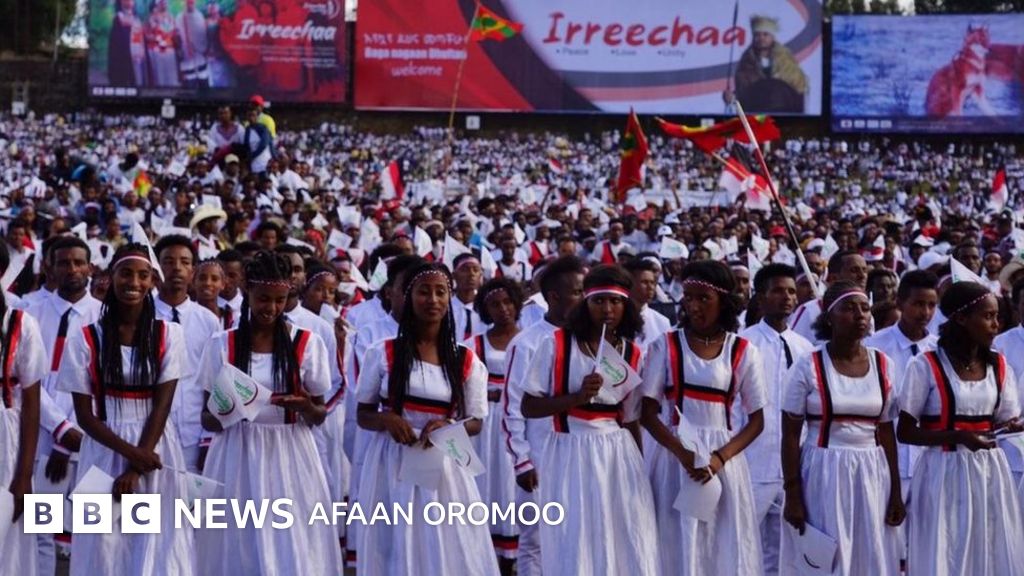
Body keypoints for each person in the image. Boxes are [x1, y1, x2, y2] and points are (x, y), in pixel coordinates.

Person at [196, 251, 341, 575]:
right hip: (237, 449)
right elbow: (207, 419)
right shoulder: (223, 344)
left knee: (292, 540)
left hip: (291, 451)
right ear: (247, 292)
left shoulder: (306, 343)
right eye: (263, 299)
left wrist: (306, 407)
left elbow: (319, 415)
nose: (271, 308)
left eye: (280, 299)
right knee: (237, 541)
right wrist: (228, 408)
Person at [57, 244, 194, 575]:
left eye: (143, 275)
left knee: (157, 545)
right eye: (126, 273)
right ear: (110, 278)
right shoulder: (86, 337)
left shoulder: (168, 334)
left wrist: (136, 466)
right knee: (102, 551)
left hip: (155, 448)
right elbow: (86, 416)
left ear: (152, 282)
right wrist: (132, 454)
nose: (134, 281)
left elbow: (162, 404)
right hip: (105, 448)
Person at [355, 262, 499, 575]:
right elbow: (363, 414)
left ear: (449, 299)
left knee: (445, 545)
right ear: (408, 297)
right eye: (424, 292)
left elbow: (476, 421)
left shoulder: (465, 359)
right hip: (391, 462)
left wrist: (449, 425)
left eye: (440, 292)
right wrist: (387, 419)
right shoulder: (382, 352)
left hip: (443, 464)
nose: (432, 299)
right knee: (392, 543)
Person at [521, 264, 657, 575]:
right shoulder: (555, 344)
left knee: (623, 534)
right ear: (586, 303)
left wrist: (640, 464)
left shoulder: (632, 353)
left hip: (617, 453)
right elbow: (529, 405)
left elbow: (631, 418)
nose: (607, 309)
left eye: (616, 301)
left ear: (626, 306)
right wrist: (575, 398)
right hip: (570, 450)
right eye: (599, 301)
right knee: (575, 535)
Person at [640, 260, 766, 576]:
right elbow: (648, 412)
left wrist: (719, 458)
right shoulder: (665, 344)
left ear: (723, 301)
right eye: (688, 297)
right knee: (673, 539)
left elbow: (757, 420)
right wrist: (682, 453)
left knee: (721, 544)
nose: (693, 306)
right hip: (674, 457)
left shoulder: (743, 351)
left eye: (703, 298)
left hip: (720, 460)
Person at [897, 281, 1024, 575]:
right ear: (961, 318)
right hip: (942, 471)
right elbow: (905, 431)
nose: (996, 324)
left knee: (987, 546)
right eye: (988, 316)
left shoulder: (998, 365)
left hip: (988, 471)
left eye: (997, 317)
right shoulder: (925, 365)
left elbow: (1003, 419)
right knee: (946, 548)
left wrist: (1011, 426)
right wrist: (958, 436)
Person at [780, 281, 904, 575]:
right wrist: (793, 494)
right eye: (849, 308)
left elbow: (886, 432)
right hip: (823, 469)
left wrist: (896, 490)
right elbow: (790, 435)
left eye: (864, 308)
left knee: (869, 551)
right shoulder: (807, 365)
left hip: (872, 471)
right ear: (829, 317)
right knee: (827, 556)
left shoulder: (883, 364)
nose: (860, 315)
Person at [502, 255, 586, 576]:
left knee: (573, 532)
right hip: (538, 454)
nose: (584, 299)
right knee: (535, 537)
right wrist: (522, 460)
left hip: (577, 451)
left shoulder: (588, 340)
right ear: (554, 297)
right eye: (577, 292)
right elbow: (512, 407)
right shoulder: (526, 343)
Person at [25, 237, 99, 574]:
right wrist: (59, 429)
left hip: (90, 438)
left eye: (78, 263)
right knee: (41, 529)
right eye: (64, 263)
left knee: (91, 529)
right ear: (50, 268)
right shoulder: (30, 313)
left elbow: (96, 385)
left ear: (90, 267)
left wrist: (72, 433)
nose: (72, 270)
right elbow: (28, 380)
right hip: (41, 435)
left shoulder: (104, 315)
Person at [738, 263, 813, 576]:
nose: (787, 297)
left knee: (783, 551)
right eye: (778, 291)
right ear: (760, 298)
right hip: (753, 461)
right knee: (743, 545)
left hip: (793, 466)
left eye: (792, 291)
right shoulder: (744, 343)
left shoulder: (805, 348)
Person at [865, 270, 939, 497]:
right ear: (900, 302)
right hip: (885, 457)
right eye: (918, 304)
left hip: (929, 460)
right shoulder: (873, 346)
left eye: (931, 305)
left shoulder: (941, 350)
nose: (925, 312)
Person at [153, 234, 221, 472]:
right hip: (150, 432)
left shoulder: (208, 321)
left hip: (193, 434)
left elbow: (214, 383)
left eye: (184, 262)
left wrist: (207, 437)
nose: (177, 269)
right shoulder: (142, 316)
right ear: (156, 268)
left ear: (192, 271)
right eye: (169, 262)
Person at [468, 278, 522, 573]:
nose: (503, 309)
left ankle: (513, 555)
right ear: (485, 309)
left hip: (516, 420)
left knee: (511, 483)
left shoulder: (529, 339)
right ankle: (485, 552)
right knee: (486, 482)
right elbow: (463, 381)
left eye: (507, 302)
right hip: (485, 425)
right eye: (495, 304)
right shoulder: (474, 344)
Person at [0, 240, 45, 576]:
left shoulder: (19, 323)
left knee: (8, 539)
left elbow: (32, 405)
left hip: (5, 441)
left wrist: (24, 476)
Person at [725, 15, 808, 112]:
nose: (761, 38)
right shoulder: (745, 63)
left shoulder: (787, 61)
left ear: (772, 37)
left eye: (765, 34)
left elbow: (798, 88)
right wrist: (732, 98)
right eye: (757, 35)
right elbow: (744, 94)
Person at [790, 250, 870, 344]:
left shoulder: (866, 312)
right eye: (854, 270)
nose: (862, 276)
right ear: (834, 278)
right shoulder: (810, 311)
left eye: (865, 270)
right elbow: (794, 348)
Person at [625, 258, 673, 346]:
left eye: (652, 282)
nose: (650, 287)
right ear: (630, 284)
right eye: (644, 282)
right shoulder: (617, 319)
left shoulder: (662, 322)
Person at [451, 252, 485, 341]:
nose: (471, 274)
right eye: (465, 269)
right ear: (454, 275)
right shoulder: (446, 308)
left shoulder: (486, 307)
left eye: (476, 270)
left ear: (480, 275)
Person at [192, 258, 233, 330]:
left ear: (223, 284)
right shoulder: (185, 315)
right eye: (202, 278)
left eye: (214, 279)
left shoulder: (230, 318)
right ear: (194, 281)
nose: (208, 283)